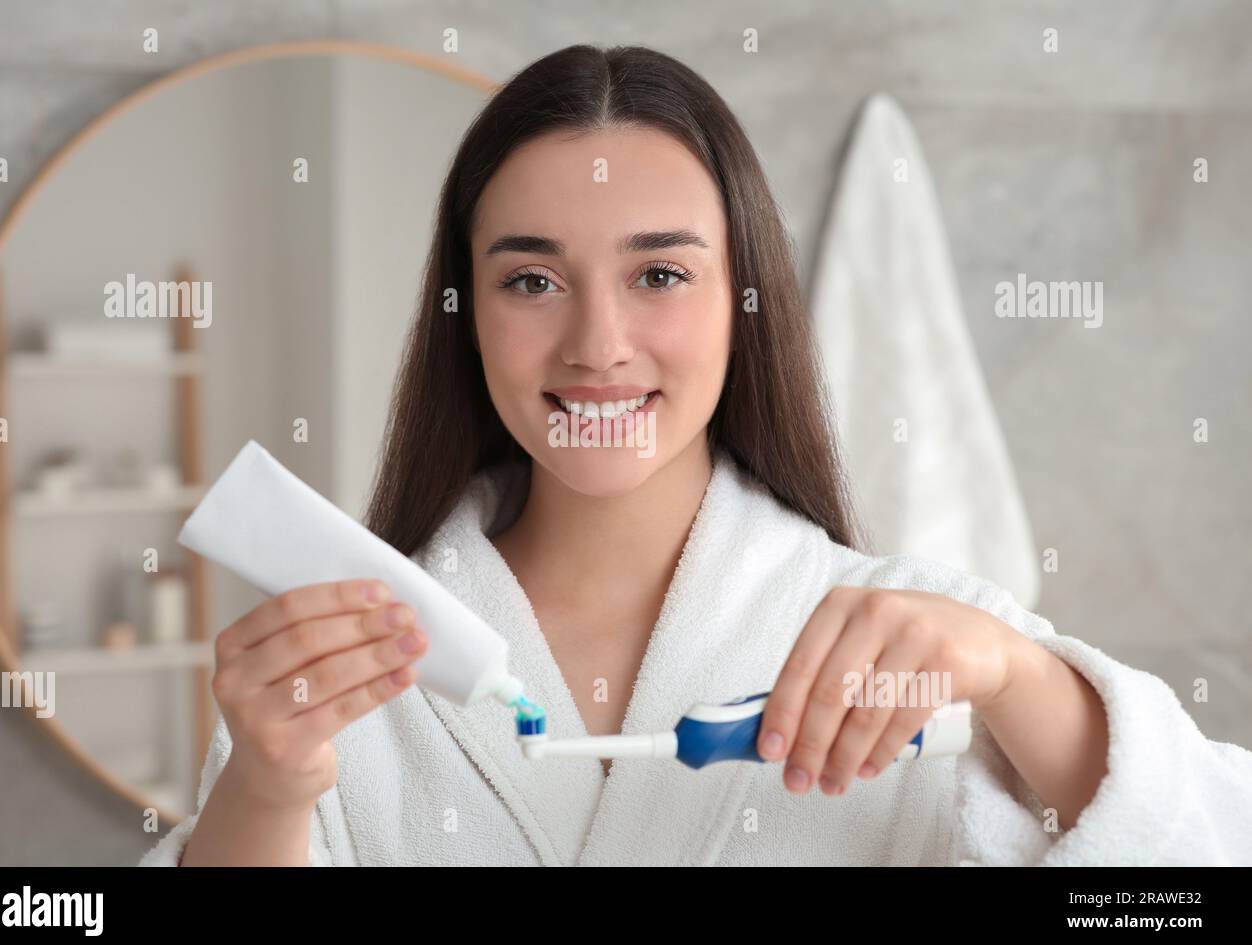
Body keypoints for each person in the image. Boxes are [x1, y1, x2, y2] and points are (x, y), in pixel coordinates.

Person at [141, 43, 1252, 866]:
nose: (597, 344)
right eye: (530, 279)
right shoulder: (360, 671)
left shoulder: (922, 645)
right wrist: (269, 791)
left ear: (743, 305)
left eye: (659, 274)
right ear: (464, 312)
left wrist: (1017, 674)